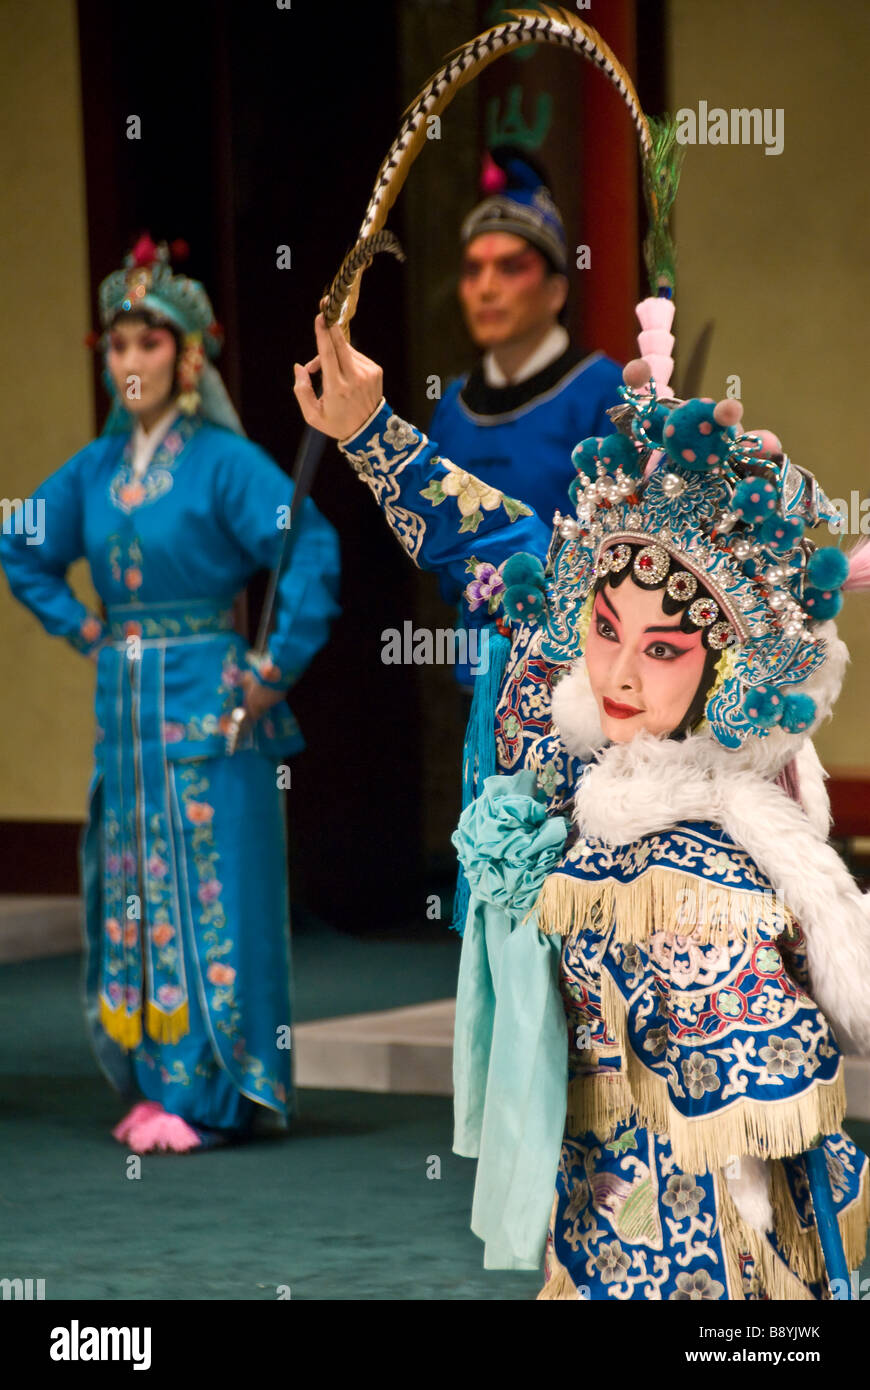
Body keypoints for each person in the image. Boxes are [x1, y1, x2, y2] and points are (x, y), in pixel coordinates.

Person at [294, 314, 870, 1299]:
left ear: (723, 667)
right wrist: (368, 428)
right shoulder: (586, 690)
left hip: (695, 1214)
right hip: (596, 1169)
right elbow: (479, 523)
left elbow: (750, 1102)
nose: (618, 668)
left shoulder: (709, 865)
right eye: (604, 630)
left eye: (661, 648)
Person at [1, 236, 340, 1153]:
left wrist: (271, 671)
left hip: (212, 708)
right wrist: (81, 627)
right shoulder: (94, 472)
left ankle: (221, 1091)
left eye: (148, 343)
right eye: (116, 345)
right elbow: (20, 540)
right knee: (135, 894)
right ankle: (155, 1084)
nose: (130, 362)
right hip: (126, 718)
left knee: (213, 890)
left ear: (187, 356)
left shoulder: (224, 465)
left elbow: (307, 547)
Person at [430, 147, 624, 686]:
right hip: (480, 675)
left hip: (588, 674)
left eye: (511, 267)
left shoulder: (608, 391)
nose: (486, 288)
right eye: (473, 271)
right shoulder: (452, 406)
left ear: (557, 288)